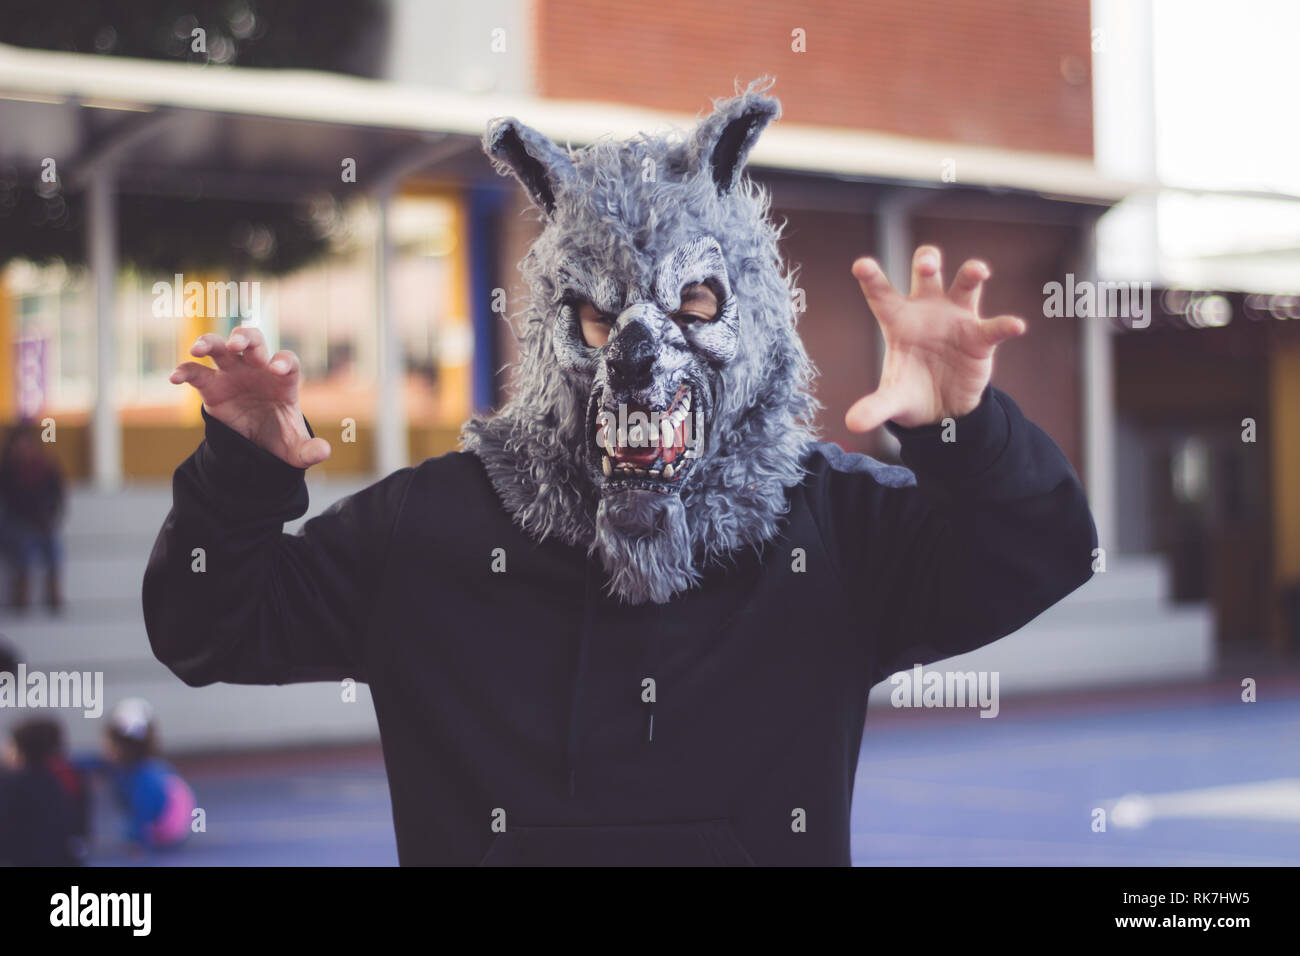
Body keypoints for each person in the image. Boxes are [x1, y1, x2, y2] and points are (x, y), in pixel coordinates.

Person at [144, 80, 1097, 865]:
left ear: (752, 316)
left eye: (692, 304)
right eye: (599, 319)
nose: (637, 352)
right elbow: (204, 631)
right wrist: (239, 469)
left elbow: (1042, 550)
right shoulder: (430, 528)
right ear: (556, 324)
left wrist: (963, 430)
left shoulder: (826, 526)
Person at [77, 698, 195, 852]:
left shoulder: (144, 777)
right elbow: (87, 764)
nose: (103, 743)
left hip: (166, 829)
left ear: (122, 745)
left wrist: (138, 842)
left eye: (108, 739)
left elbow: (142, 816)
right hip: (166, 822)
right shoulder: (120, 764)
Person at [0, 717, 89, 866]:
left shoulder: (11, 784)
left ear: (19, 750)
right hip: (65, 859)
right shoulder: (70, 778)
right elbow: (81, 828)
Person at [0, 423, 65, 611]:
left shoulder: (46, 468)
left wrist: (49, 518)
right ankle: (21, 595)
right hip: (14, 524)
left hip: (41, 523)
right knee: (25, 545)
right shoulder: (7, 470)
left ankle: (54, 594)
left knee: (54, 545)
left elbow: (57, 497)